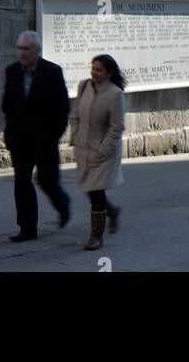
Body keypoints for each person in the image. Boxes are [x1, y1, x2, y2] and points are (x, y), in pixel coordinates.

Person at [2, 31, 71, 242]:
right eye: (19, 48)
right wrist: (12, 130)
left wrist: (53, 136)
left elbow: (62, 108)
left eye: (26, 49)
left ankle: (63, 205)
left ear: (37, 50)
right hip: (20, 140)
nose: (21, 53)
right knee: (22, 182)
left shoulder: (52, 72)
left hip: (45, 140)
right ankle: (27, 228)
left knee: (47, 181)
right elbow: (7, 104)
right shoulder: (12, 71)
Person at [70, 54, 126, 250]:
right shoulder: (84, 86)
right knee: (88, 187)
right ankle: (111, 211)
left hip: (105, 152)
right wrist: (75, 137)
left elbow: (117, 127)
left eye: (99, 70)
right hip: (84, 148)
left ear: (109, 73)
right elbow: (76, 115)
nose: (94, 72)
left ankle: (96, 235)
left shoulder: (115, 94)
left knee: (96, 190)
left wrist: (102, 149)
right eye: (93, 68)